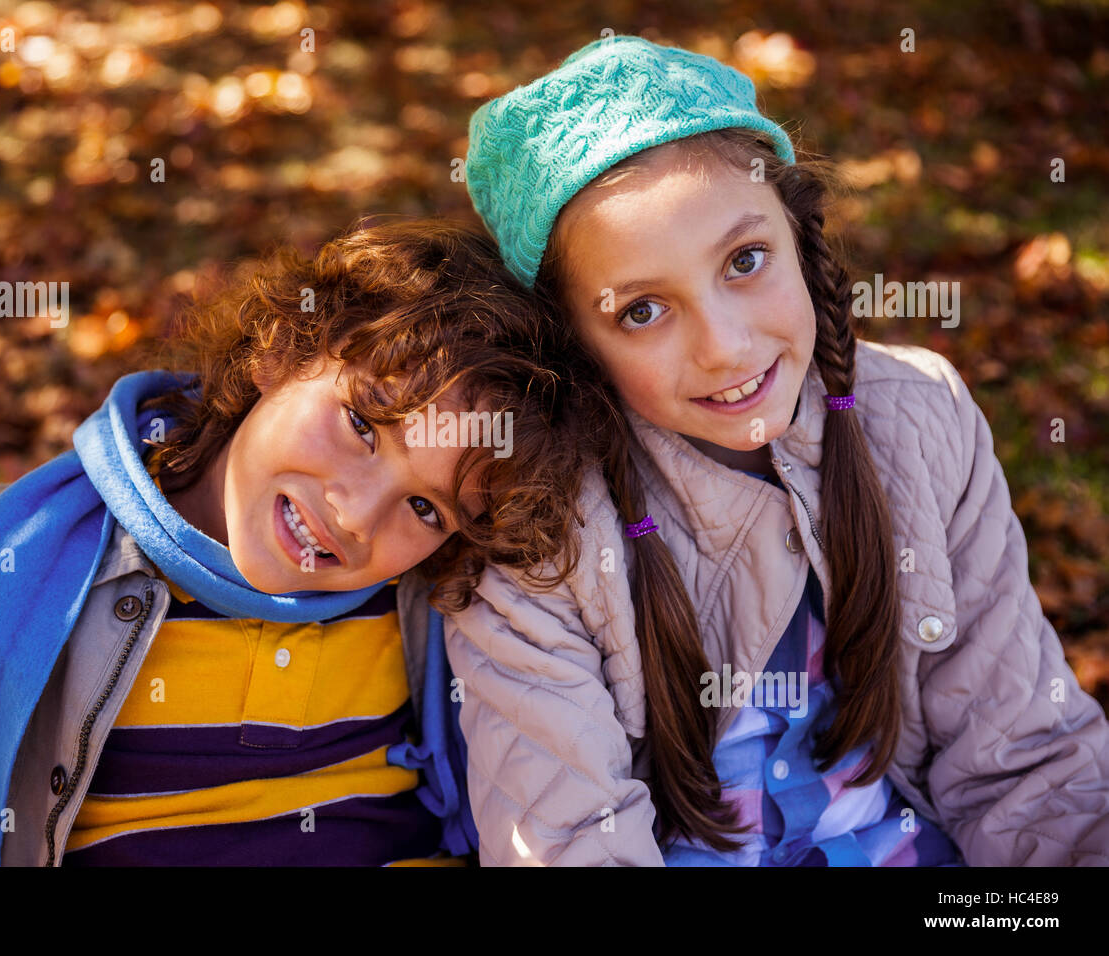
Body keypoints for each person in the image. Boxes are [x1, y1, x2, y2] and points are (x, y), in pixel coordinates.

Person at [445, 35, 1109, 866]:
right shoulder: (538, 526)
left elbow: (1032, 766)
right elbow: (570, 840)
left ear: (801, 238)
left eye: (745, 260)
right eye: (642, 312)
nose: (724, 348)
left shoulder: (923, 418)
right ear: (573, 343)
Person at [0, 217, 608, 866]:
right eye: (363, 424)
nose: (357, 516)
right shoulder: (1, 565)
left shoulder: (433, 609)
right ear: (280, 352)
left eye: (427, 509)